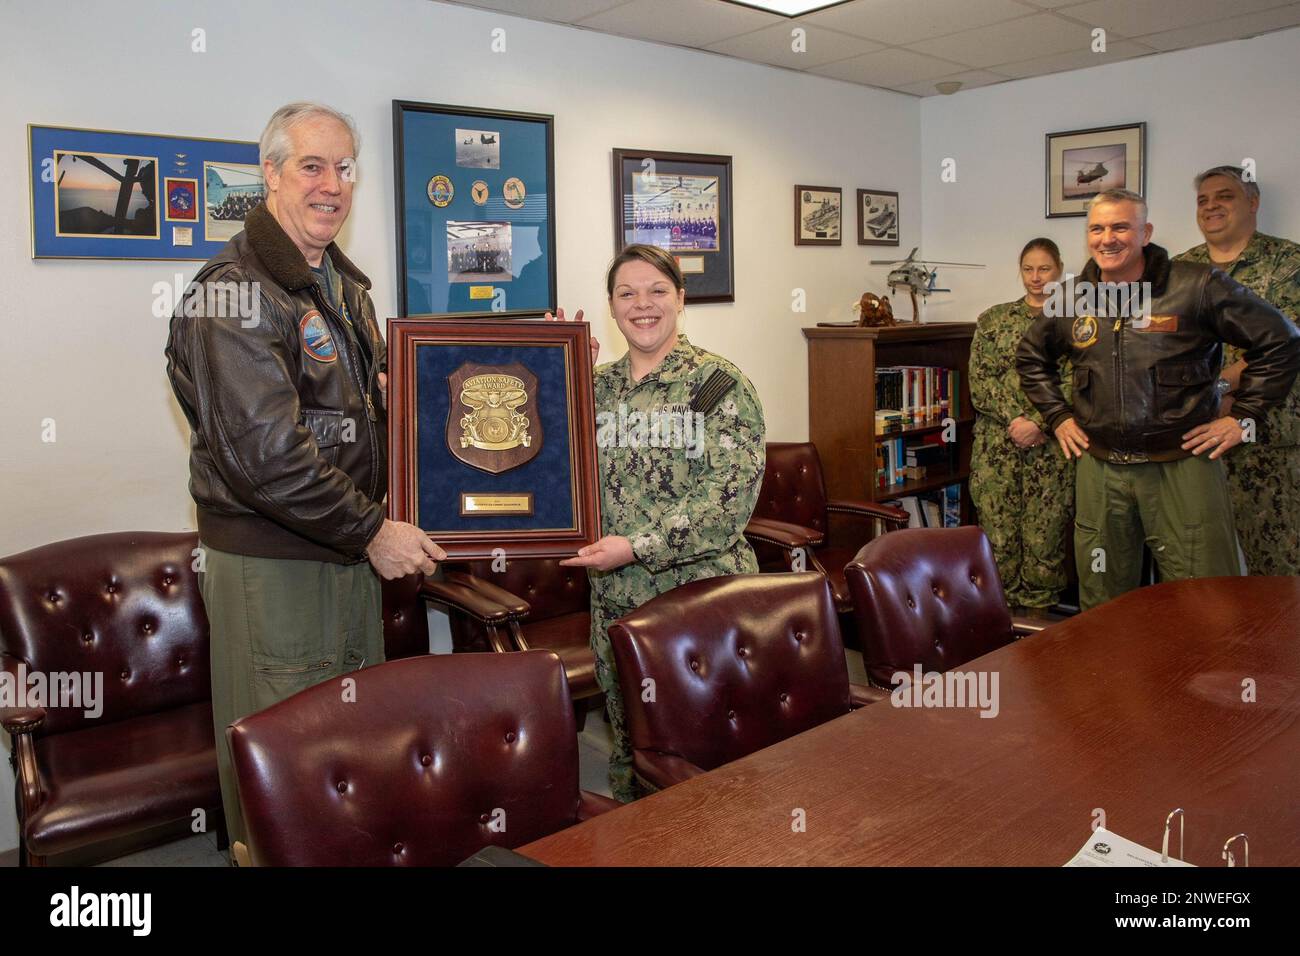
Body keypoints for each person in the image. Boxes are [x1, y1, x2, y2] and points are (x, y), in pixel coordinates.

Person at [165, 102, 444, 847]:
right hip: (278, 562)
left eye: (345, 167)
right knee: (283, 766)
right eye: (311, 165)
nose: (332, 185)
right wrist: (372, 529)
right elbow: (267, 458)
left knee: (346, 754)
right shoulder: (232, 289)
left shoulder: (341, 284)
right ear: (270, 174)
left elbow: (339, 409)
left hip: (345, 549)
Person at [549, 244, 765, 802]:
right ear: (612, 307)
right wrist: (554, 367)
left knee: (709, 759)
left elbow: (728, 505)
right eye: (627, 294)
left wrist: (637, 546)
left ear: (681, 299)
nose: (642, 305)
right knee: (633, 754)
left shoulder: (717, 385)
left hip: (699, 606)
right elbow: (544, 465)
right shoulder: (592, 387)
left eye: (656, 291)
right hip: (616, 605)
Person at [1017, 188, 1300, 610]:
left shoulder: (1197, 285)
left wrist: (1243, 417)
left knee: (1206, 597)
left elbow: (1282, 341)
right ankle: (1115, 676)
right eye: (1097, 228)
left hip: (1182, 463)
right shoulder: (1072, 297)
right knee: (1102, 595)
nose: (1106, 238)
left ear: (1145, 232)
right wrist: (1058, 417)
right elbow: (1030, 357)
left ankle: (1208, 677)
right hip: (1101, 466)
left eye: (1120, 227)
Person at [1173, 166, 1300, 576]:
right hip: (1192, 439)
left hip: (1271, 439)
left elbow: (1283, 341)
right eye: (1203, 200)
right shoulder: (1178, 270)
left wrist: (1221, 384)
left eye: (1224, 196)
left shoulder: (1289, 263)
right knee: (1197, 568)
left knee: (1279, 569)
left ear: (1253, 203)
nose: (1211, 206)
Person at [969, 238, 1074, 611]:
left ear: (1059, 270)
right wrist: (1015, 419)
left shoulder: (1076, 321)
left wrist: (1036, 423)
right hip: (997, 448)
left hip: (1050, 448)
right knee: (998, 537)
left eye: (1043, 268)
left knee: (1044, 540)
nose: (1035, 277)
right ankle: (998, 621)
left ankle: (1038, 624)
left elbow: (1078, 382)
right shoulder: (994, 320)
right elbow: (981, 382)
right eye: (1028, 268)